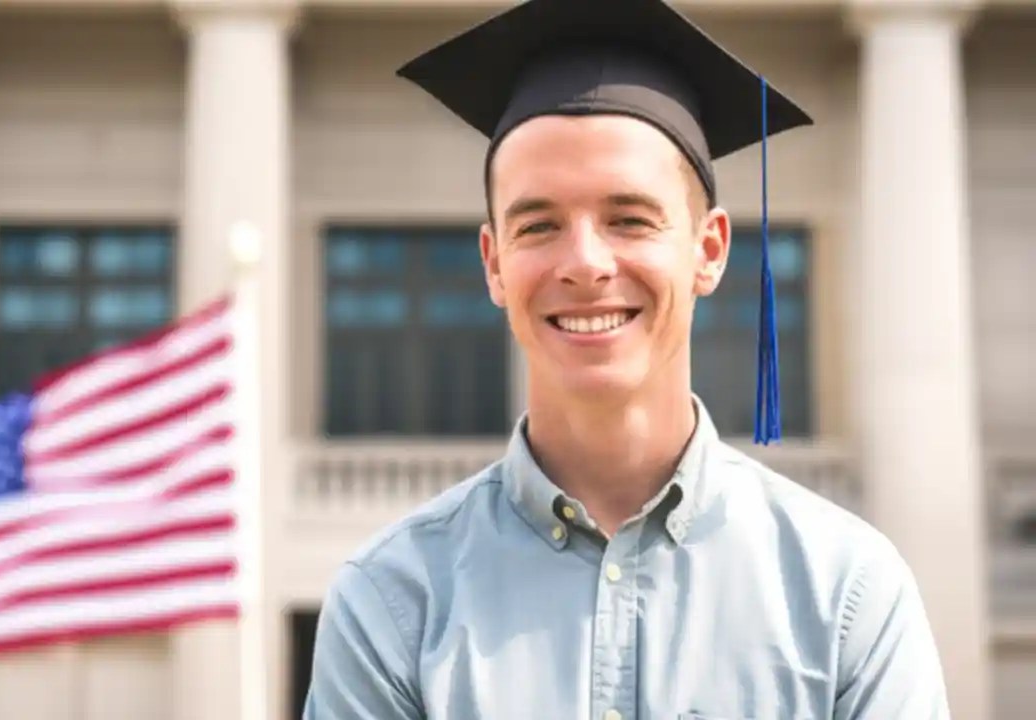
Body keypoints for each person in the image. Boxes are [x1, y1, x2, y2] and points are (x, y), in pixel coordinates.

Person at [301, 0, 949, 717]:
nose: (584, 262)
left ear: (709, 250)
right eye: (539, 224)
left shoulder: (845, 594)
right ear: (493, 263)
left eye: (629, 220)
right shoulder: (392, 604)